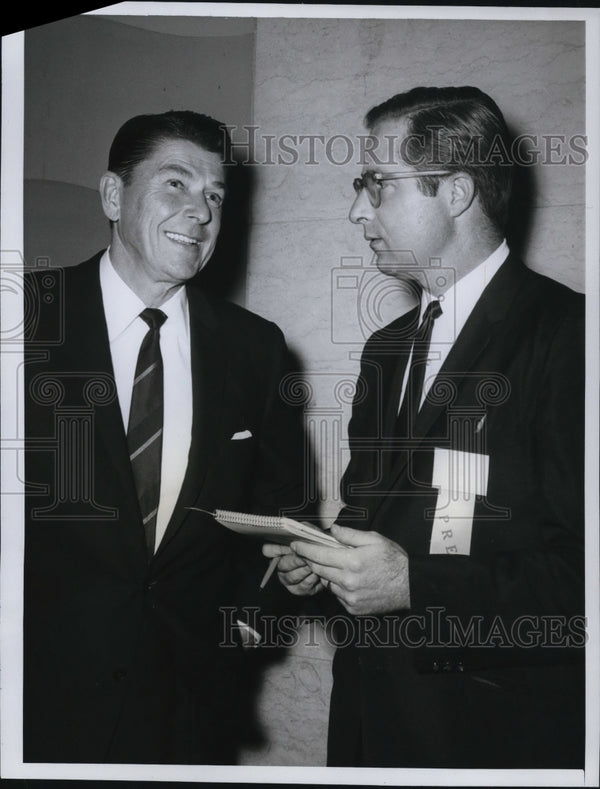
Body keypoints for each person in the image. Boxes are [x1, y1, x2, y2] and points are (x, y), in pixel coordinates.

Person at [264, 86, 585, 768]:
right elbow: (380, 522)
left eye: (377, 184)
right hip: (369, 728)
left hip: (494, 744)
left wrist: (414, 585)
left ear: (457, 192)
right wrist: (324, 561)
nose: (357, 210)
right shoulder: (386, 349)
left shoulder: (571, 337)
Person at [24, 111, 311, 764]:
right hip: (31, 700)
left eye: (215, 195)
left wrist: (246, 623)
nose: (201, 212)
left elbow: (282, 509)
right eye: (176, 184)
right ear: (112, 195)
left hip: (187, 711)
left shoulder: (255, 348)